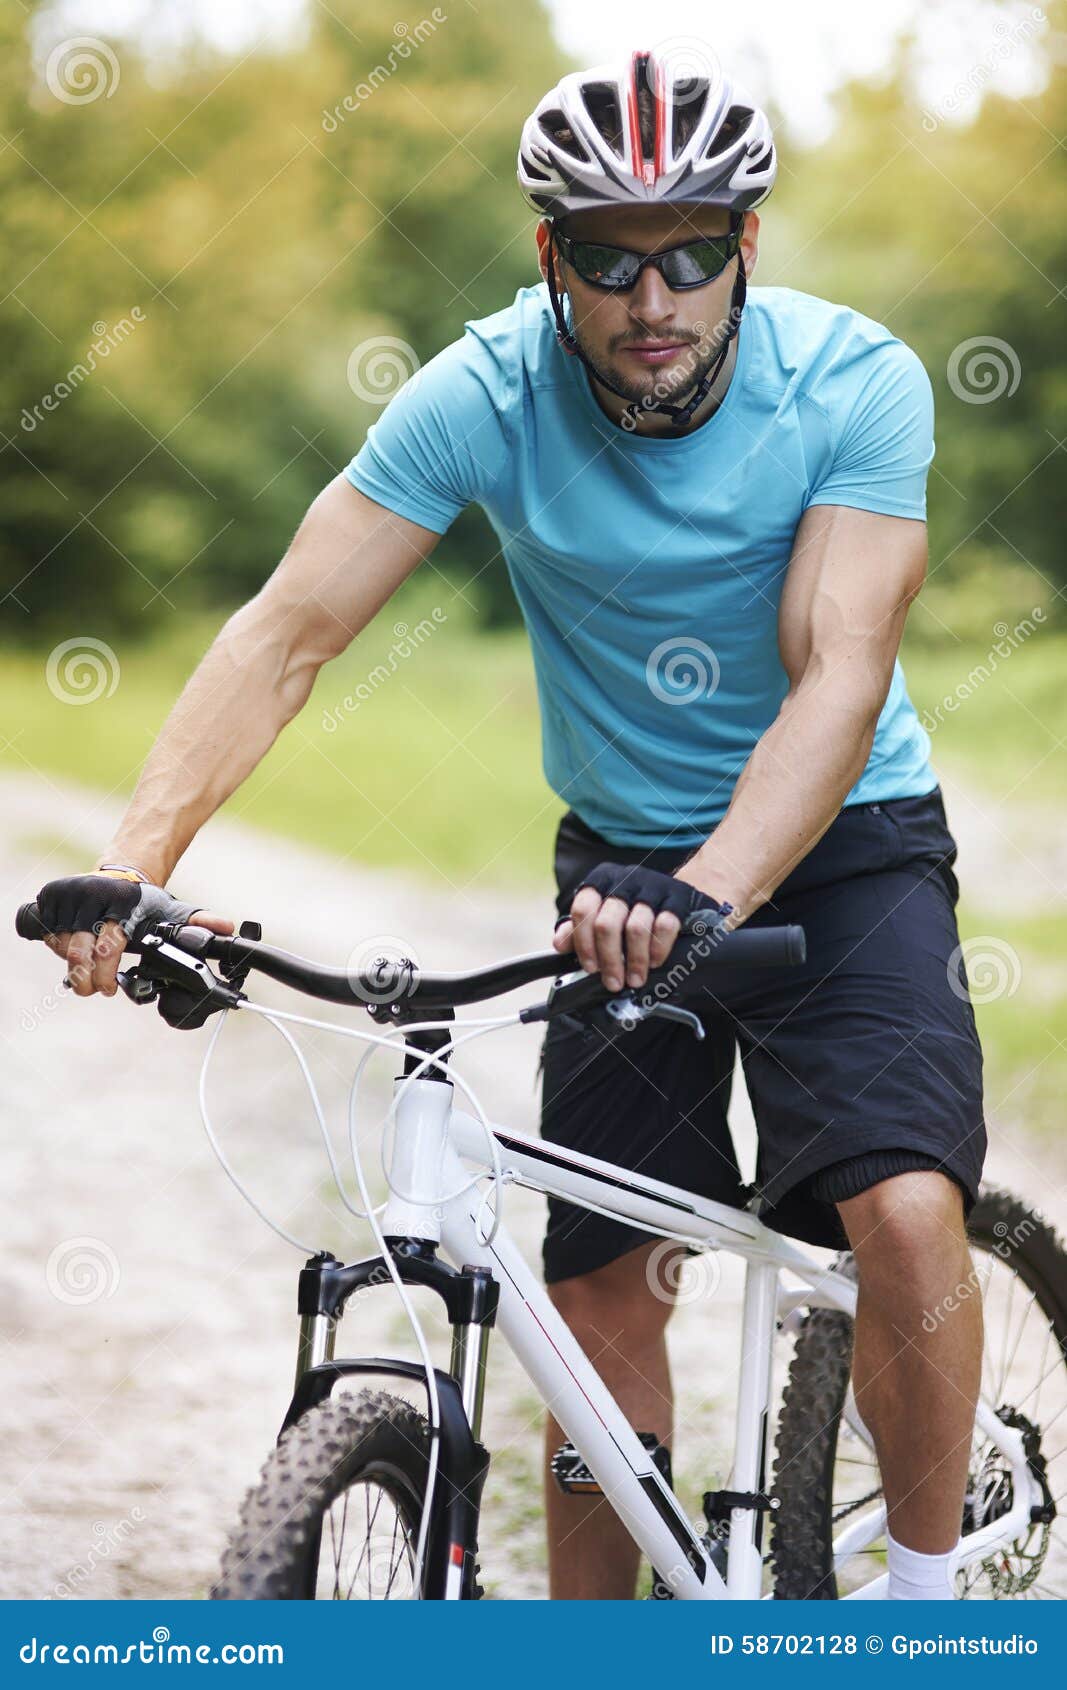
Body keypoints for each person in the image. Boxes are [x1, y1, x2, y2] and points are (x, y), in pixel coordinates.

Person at [33, 44, 984, 1603]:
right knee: (601, 1295)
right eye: (609, 256)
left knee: (897, 1205)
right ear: (554, 257)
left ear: (748, 246)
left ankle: (931, 1606)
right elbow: (287, 630)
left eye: (691, 248)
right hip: (620, 860)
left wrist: (718, 892)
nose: (653, 295)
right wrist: (138, 864)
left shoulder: (854, 381)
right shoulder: (479, 392)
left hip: (845, 838)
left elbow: (840, 669)